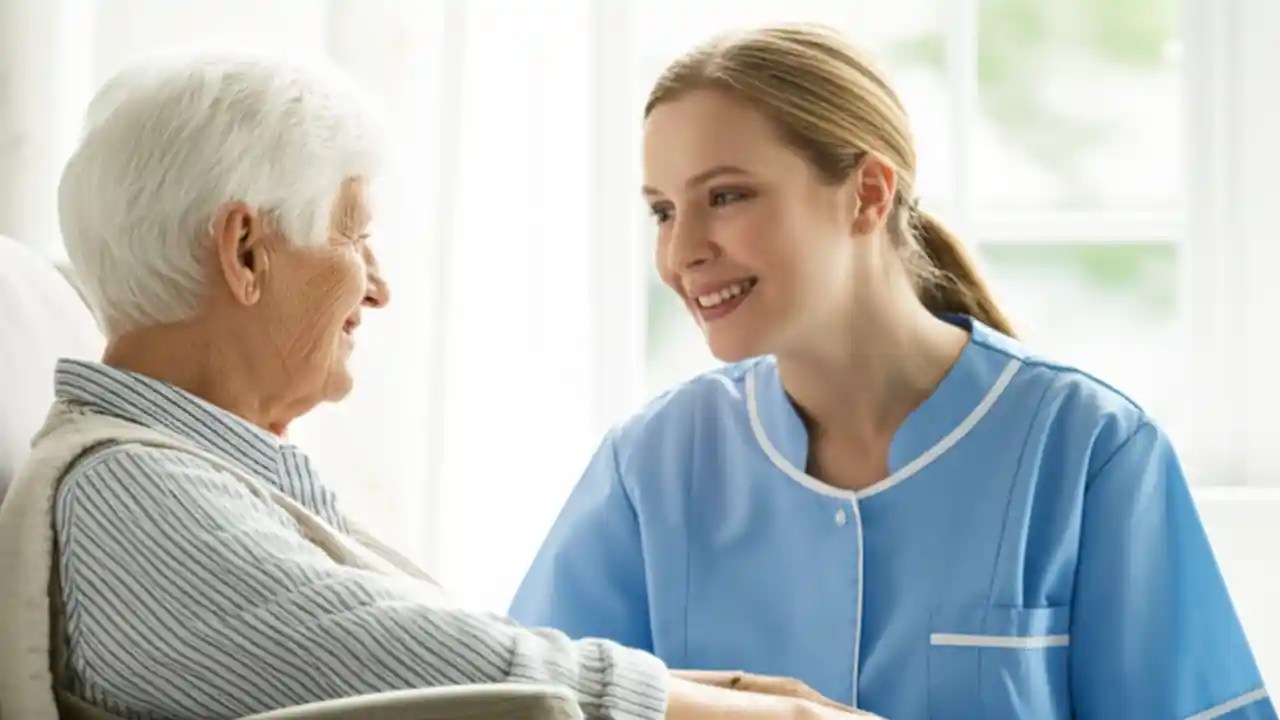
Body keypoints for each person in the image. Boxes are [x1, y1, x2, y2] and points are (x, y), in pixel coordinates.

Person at [0, 51, 876, 720]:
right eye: (354, 237)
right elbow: (470, 678)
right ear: (246, 253)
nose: (378, 286)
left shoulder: (200, 479)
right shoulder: (132, 493)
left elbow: (462, 659)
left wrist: (724, 693)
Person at [509, 23, 1276, 720]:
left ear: (868, 195)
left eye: (726, 196)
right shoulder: (651, 464)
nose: (682, 252)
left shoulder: (1088, 450)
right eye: (663, 211)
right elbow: (519, 702)